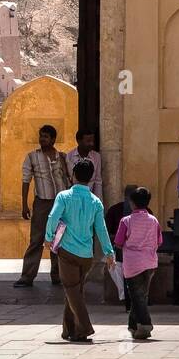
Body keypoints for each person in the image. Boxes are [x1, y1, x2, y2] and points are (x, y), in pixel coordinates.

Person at [44, 159, 116, 342]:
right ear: (91, 177)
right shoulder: (96, 202)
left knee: (72, 290)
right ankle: (69, 330)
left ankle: (84, 327)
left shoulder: (64, 196)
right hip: (86, 255)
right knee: (75, 290)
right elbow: (101, 229)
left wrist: (48, 237)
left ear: (74, 174)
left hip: (67, 252)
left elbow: (53, 217)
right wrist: (109, 252)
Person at [15, 125, 70, 287]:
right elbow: (26, 180)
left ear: (53, 139)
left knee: (58, 239)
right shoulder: (32, 157)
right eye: (41, 136)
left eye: (45, 137)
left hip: (61, 203)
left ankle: (58, 275)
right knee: (36, 239)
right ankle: (27, 276)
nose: (42, 139)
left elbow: (67, 179)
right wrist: (24, 204)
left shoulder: (62, 157)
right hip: (41, 203)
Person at [112, 186, 162, 339]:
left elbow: (119, 242)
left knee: (136, 296)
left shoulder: (126, 221)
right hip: (150, 262)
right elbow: (159, 241)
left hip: (133, 264)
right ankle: (133, 326)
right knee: (141, 296)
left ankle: (146, 324)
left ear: (132, 203)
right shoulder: (154, 220)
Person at [65, 130, 102, 199]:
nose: (91, 144)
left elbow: (97, 181)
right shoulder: (69, 156)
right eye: (88, 141)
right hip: (74, 198)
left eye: (92, 141)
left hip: (90, 198)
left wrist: (98, 201)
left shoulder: (96, 157)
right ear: (79, 141)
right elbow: (69, 180)